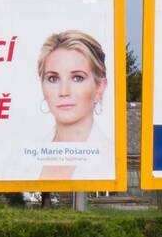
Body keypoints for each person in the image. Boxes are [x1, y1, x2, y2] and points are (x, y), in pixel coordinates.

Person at [35, 30, 112, 180]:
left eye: (77, 78)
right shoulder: (21, 159)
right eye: (52, 79)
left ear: (100, 87)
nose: (64, 92)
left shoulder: (111, 159)